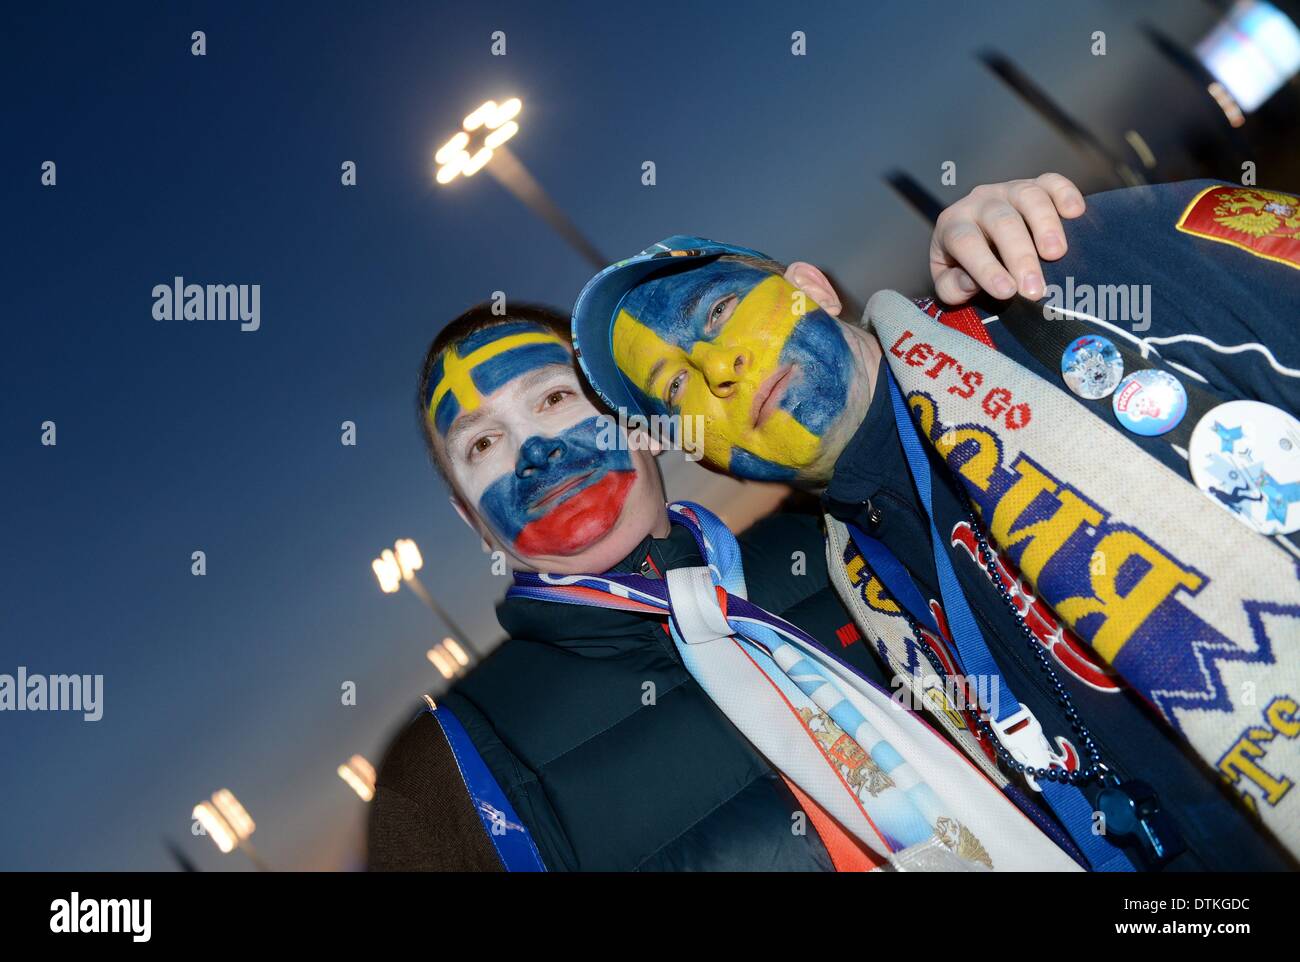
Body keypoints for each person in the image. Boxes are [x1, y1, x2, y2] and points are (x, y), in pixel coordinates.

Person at [569, 177, 1300, 871]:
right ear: (702, 452)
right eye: (674, 387)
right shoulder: (849, 590)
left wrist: (1059, 232)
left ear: (811, 288)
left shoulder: (1062, 278)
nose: (716, 370)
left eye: (719, 314)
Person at [368, 300, 1082, 872]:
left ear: (638, 421)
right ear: (473, 523)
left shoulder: (836, 539)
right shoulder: (451, 769)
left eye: (553, 398)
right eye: (482, 444)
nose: (537, 451)